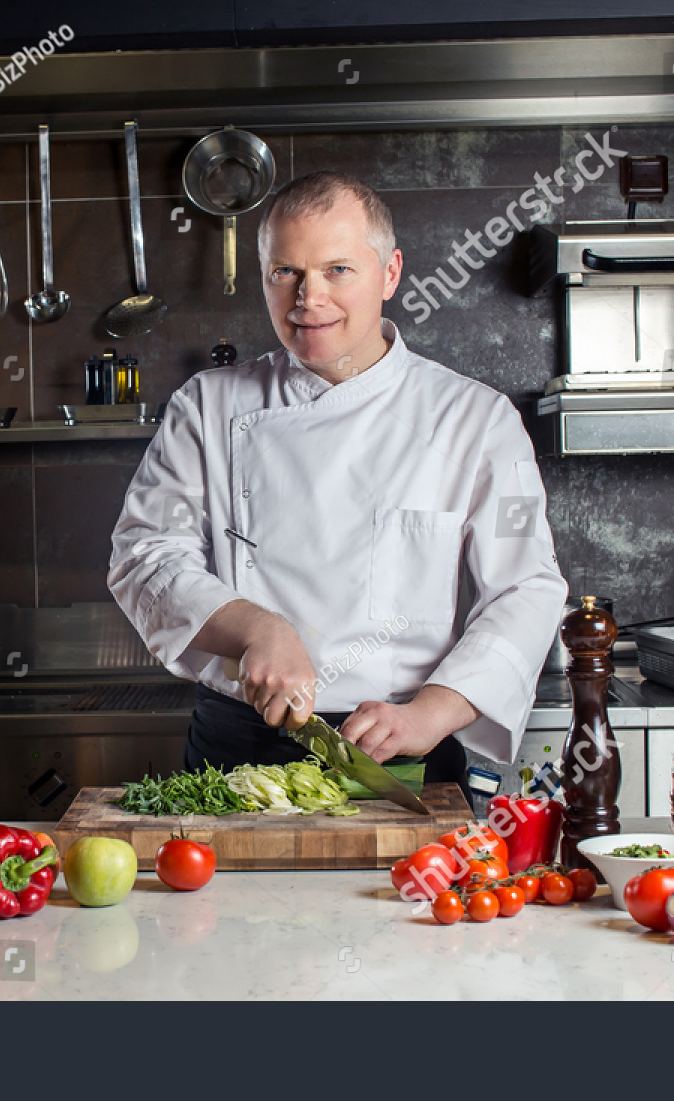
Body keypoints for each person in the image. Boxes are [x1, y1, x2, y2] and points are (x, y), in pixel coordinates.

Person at [107, 170, 567, 783]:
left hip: (400, 749)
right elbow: (145, 555)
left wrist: (431, 714)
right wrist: (256, 628)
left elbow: (526, 590)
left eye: (338, 270)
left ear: (391, 273)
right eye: (286, 272)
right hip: (238, 750)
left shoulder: (474, 419)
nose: (309, 297)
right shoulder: (207, 407)